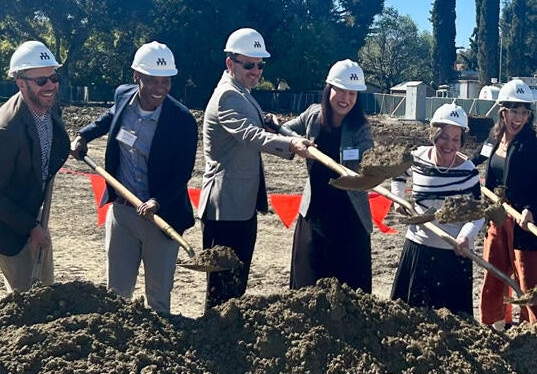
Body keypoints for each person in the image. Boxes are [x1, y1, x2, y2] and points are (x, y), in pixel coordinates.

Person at [70, 42, 197, 313]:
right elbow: (109, 118)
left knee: (158, 294)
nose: (160, 89)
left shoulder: (182, 120)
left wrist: (157, 201)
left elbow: (182, 172)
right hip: (123, 213)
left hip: (161, 218)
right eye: (153, 81)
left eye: (166, 82)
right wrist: (84, 134)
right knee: (116, 292)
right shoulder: (123, 96)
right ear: (136, 76)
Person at [197, 28, 313, 310]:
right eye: (248, 64)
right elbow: (250, 135)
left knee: (236, 281)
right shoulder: (228, 95)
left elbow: (255, 124)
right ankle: (216, 339)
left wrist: (270, 121)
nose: (256, 70)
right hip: (226, 206)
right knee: (224, 286)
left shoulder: (241, 92)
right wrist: (291, 144)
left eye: (260, 65)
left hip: (240, 205)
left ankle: (226, 336)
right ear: (230, 63)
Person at [0, 40, 70, 292]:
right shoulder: (4, 131)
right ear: (21, 83)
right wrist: (30, 227)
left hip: (31, 211)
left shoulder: (47, 104)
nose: (50, 86)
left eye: (54, 77)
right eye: (41, 81)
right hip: (5, 225)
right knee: (25, 293)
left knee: (45, 287)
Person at [281, 59, 373, 293]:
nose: (346, 99)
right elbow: (286, 130)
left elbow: (370, 159)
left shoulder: (360, 127)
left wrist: (369, 168)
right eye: (340, 90)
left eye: (352, 93)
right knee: (309, 281)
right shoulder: (313, 116)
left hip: (349, 216)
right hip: (315, 212)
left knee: (349, 287)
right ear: (328, 89)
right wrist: (295, 141)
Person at [476, 79, 537, 326]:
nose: (519, 118)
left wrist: (530, 209)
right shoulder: (494, 138)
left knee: (529, 279)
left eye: (524, 112)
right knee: (495, 273)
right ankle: (496, 323)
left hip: (524, 222)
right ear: (503, 111)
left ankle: (536, 327)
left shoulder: (531, 145)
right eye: (514, 111)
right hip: (499, 217)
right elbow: (478, 161)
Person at [390, 103, 483, 316]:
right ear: (433, 134)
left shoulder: (468, 172)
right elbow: (398, 174)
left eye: (455, 139)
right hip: (418, 249)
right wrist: (398, 199)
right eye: (443, 136)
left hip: (453, 255)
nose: (449, 144)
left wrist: (465, 236)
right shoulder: (417, 157)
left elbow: (477, 214)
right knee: (409, 320)